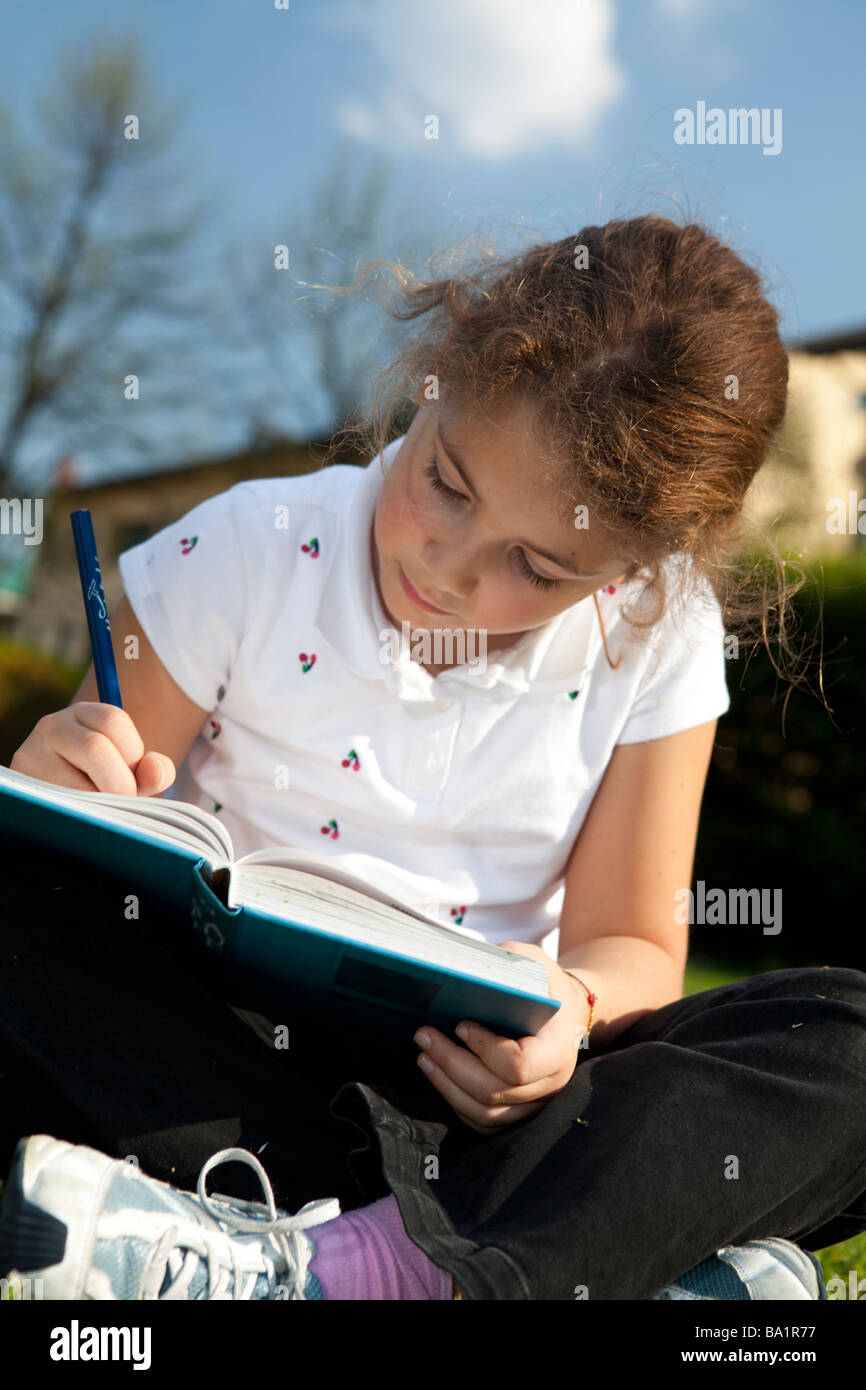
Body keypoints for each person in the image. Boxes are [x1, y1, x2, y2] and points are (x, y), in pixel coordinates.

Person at [1, 216, 864, 1301]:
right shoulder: (240, 549)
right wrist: (55, 786)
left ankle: (322, 1266)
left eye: (536, 566)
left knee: (842, 1042)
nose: (450, 570)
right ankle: (581, 1256)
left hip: (482, 1106)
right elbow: (94, 854)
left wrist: (567, 1018)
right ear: (432, 383)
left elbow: (631, 944)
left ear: (628, 571)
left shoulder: (656, 638)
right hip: (220, 1064)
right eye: (447, 484)